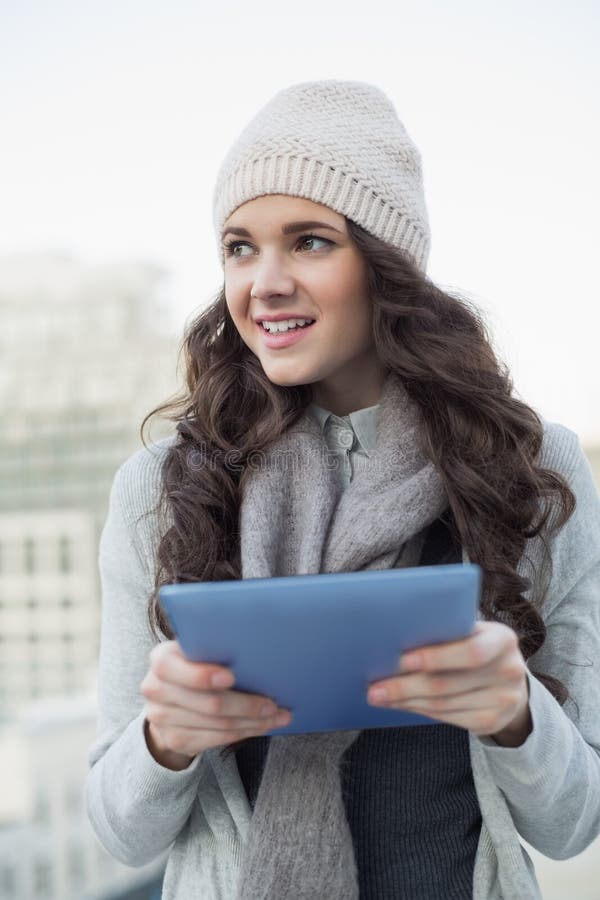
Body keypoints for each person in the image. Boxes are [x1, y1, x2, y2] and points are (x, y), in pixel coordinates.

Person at [85, 80, 600, 900]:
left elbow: (572, 824)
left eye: (311, 242)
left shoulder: (530, 468)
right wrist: (164, 741)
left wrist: (517, 713)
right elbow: (120, 834)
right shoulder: (163, 486)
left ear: (388, 267)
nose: (264, 282)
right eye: (239, 247)